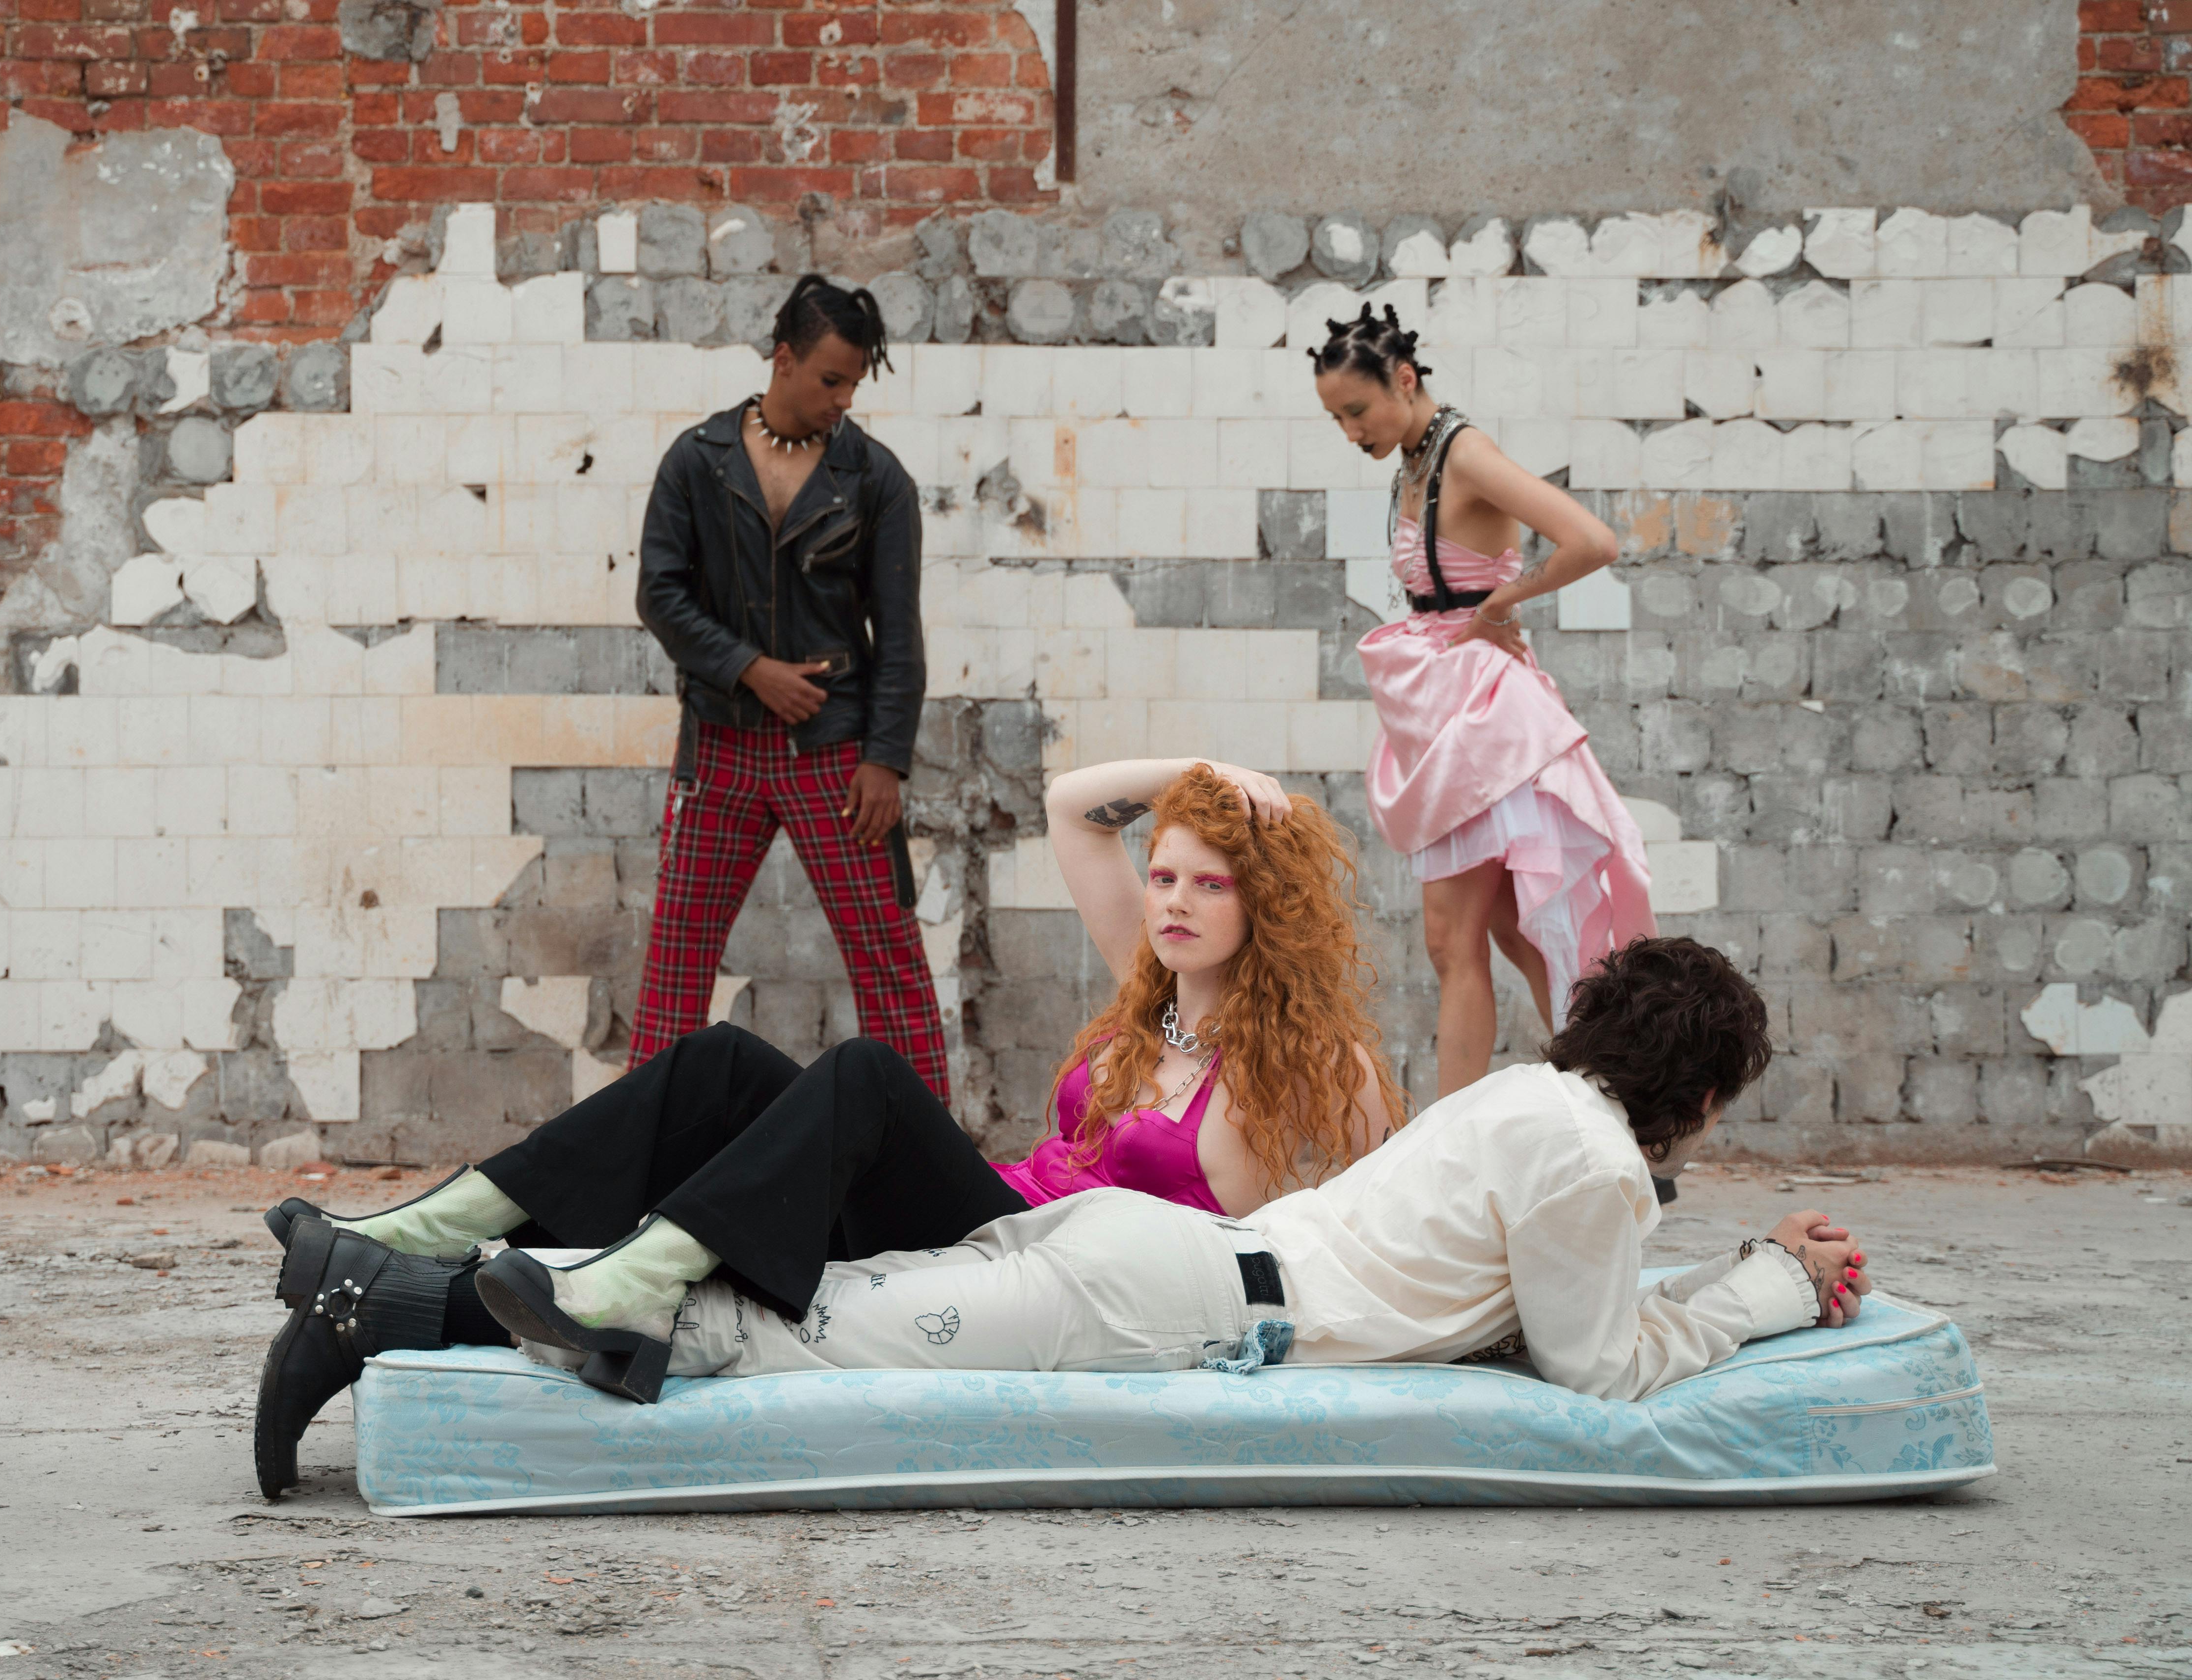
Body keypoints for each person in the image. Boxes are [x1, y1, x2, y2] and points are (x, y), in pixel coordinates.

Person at [249, 758, 1400, 1493]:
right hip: (986, 1222)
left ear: (1265, 903)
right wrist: (1207, 773)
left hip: (1060, 1271)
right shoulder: (1146, 989)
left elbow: (1391, 1199)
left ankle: (489, 1285)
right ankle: (425, 1231)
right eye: (1164, 877)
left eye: (1211, 883)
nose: (1174, 902)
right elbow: (1072, 804)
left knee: (865, 1075)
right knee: (719, 1064)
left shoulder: (1305, 1065)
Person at [648, 936, 1870, 1403]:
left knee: (807, 1303)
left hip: (1150, 1257)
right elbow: (1599, 1364)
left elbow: (1571, 1299)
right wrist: (1770, 1288)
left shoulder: (1522, 1096)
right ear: (1699, 1098)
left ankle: (564, 1284)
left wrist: (1744, 1265)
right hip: (1176, 1302)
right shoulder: (1595, 1160)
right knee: (759, 1332)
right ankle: (564, 1305)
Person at [1313, 301, 1653, 1096]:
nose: (1351, 431)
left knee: (1451, 940)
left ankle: (1450, 1140)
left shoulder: (1464, 454)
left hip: (1482, 715)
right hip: (1446, 707)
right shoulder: (1416, 459)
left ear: (1404, 380)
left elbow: (1593, 541)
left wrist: (1502, 602)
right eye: (1337, 419)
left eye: (1358, 410)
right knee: (1514, 932)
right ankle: (1614, 1099)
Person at [628, 276, 940, 1092]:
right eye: (831, 380)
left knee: (890, 959)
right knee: (676, 962)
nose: (844, 400)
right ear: (784, 359)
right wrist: (750, 669)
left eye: (854, 385)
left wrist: (887, 759)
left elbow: (899, 635)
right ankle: (635, 1151)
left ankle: (928, 1154)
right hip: (719, 746)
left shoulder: (875, 479)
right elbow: (659, 595)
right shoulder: (698, 461)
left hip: (837, 755)